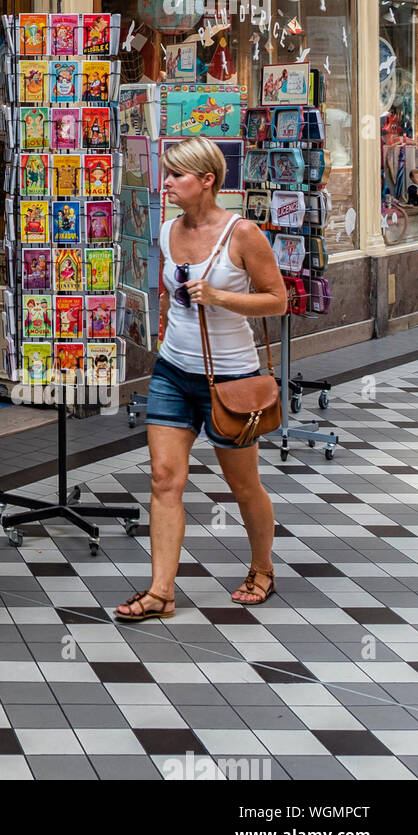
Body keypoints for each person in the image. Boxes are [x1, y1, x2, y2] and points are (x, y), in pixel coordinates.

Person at [115, 136, 287, 621]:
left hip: (231, 380)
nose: (165, 182)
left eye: (176, 175)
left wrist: (221, 296)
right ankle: (160, 592)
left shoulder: (242, 233)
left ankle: (262, 567)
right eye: (166, 173)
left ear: (207, 180)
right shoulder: (168, 229)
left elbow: (278, 300)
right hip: (173, 372)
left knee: (243, 484)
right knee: (164, 478)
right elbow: (171, 297)